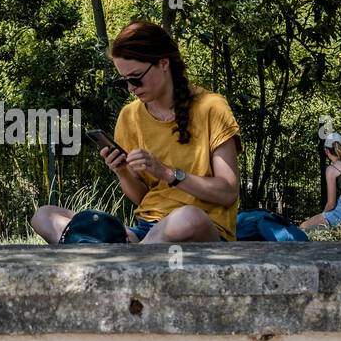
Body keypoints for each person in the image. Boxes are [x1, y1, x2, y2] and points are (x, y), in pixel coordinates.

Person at [31, 21, 242, 244]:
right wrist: (122, 171)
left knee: (188, 217)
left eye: (135, 78)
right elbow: (142, 197)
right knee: (44, 216)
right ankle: (129, 247)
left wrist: (167, 173)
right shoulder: (129, 116)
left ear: (163, 63)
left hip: (202, 229)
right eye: (124, 82)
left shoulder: (211, 107)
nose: (131, 88)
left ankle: (124, 252)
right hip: (148, 230)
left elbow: (227, 192)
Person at [301, 133, 341, 229]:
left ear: (326, 150)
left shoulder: (332, 169)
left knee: (304, 226)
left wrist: (323, 215)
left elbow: (331, 204)